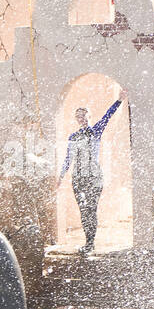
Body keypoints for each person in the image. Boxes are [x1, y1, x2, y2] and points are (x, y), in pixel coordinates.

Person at [59, 89, 128, 254]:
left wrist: (118, 101)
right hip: (78, 178)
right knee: (83, 210)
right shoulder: (73, 137)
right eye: (78, 116)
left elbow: (107, 116)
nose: (81, 118)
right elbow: (68, 158)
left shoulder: (96, 130)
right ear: (76, 118)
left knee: (91, 209)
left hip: (94, 177)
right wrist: (61, 176)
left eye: (83, 115)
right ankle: (87, 242)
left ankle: (90, 243)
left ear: (88, 117)